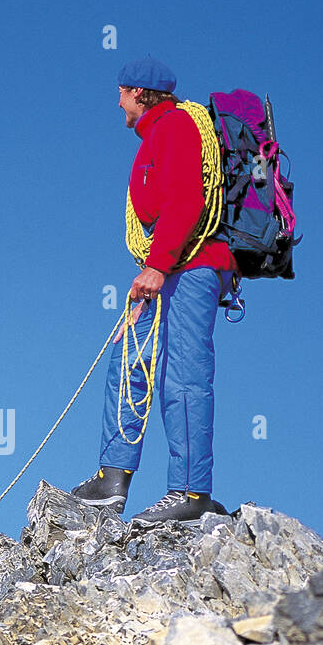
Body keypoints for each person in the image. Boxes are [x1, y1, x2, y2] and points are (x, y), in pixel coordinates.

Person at [72, 56, 239, 525]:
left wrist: (157, 266)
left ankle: (190, 493)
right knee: (130, 359)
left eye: (122, 92)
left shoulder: (175, 127)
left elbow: (187, 199)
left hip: (191, 266)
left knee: (182, 373)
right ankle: (113, 479)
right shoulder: (156, 135)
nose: (118, 101)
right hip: (169, 269)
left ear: (140, 94)